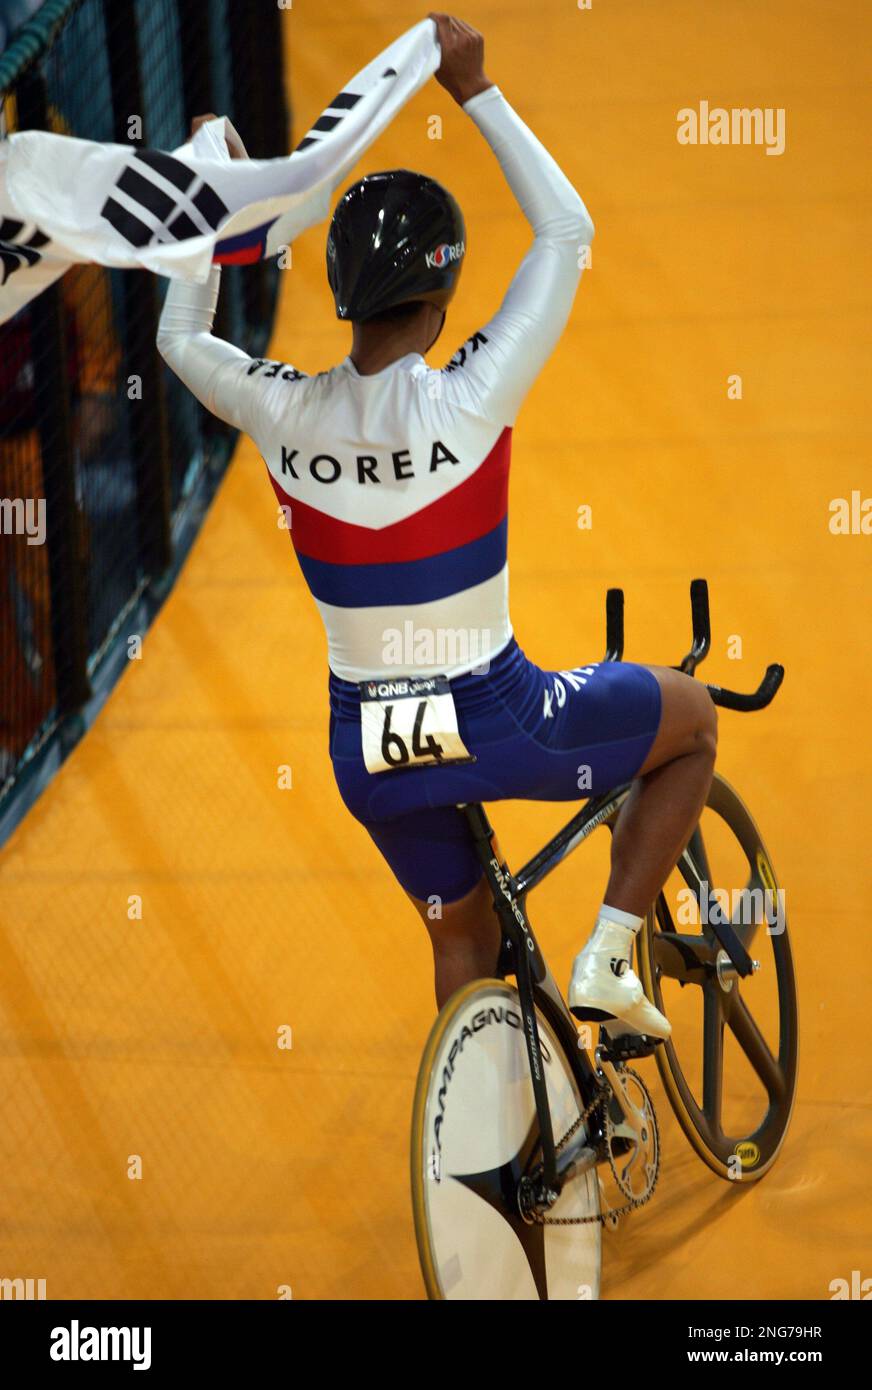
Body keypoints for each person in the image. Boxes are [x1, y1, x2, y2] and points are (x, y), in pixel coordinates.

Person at [157, 13, 717, 1038]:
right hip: (505, 720)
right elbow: (566, 234)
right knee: (688, 725)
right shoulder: (469, 399)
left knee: (459, 939)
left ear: (335, 294)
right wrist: (474, 91)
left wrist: (211, 205)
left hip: (361, 750)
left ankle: (491, 1168)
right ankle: (605, 953)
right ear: (446, 289)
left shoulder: (278, 409)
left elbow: (179, 334)